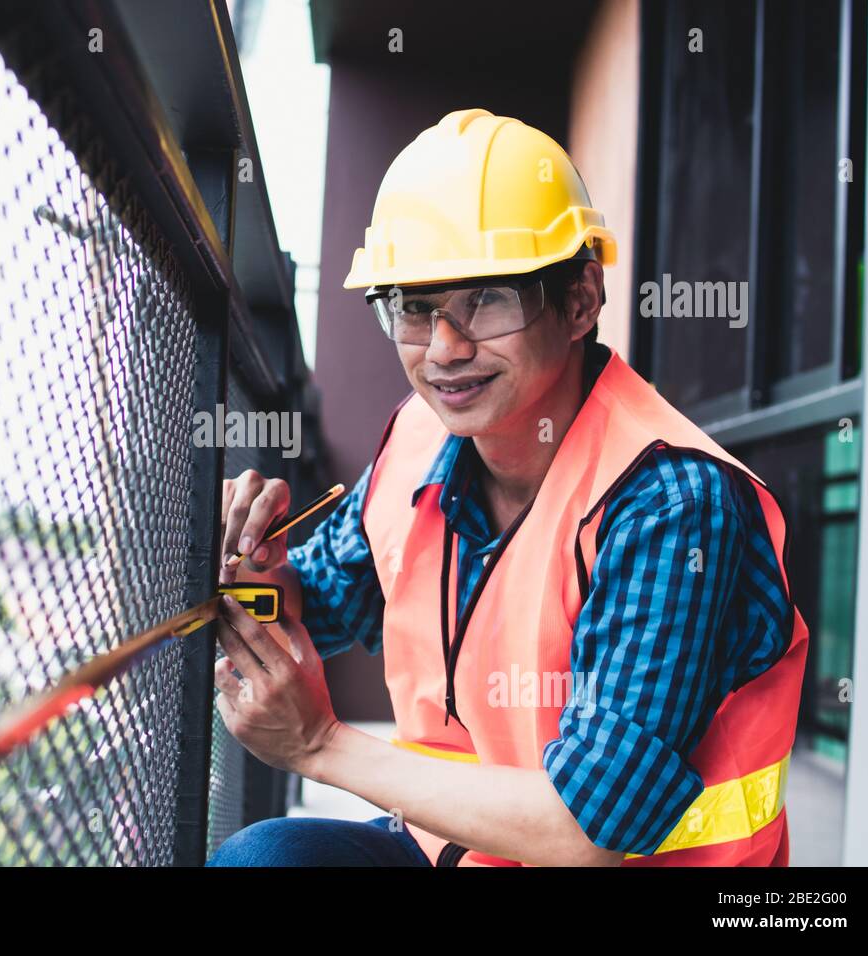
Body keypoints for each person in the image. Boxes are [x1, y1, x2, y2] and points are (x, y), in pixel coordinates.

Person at [205, 109, 808, 867]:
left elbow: (591, 832)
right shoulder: (421, 441)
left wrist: (322, 745)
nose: (447, 350)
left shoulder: (671, 502)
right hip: (472, 853)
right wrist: (259, 574)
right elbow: (323, 603)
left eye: (487, 299)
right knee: (266, 861)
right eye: (415, 310)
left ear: (581, 300)